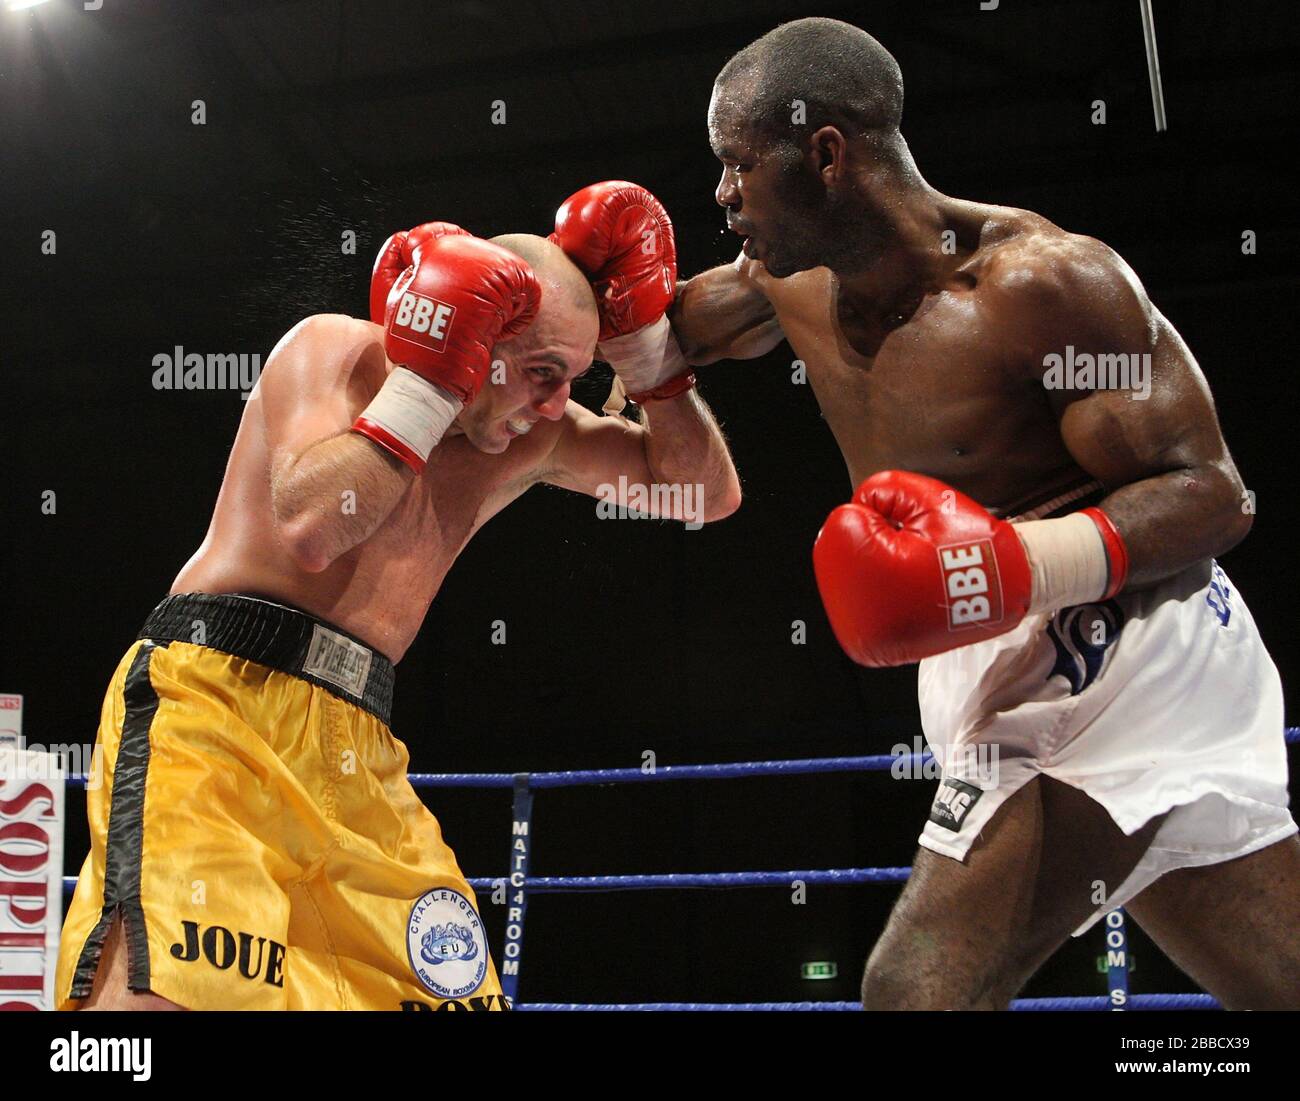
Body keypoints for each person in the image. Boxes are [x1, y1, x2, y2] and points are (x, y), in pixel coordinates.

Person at [668, 17, 1299, 1008]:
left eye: (737, 165)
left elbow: (1214, 495)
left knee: (917, 989)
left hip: (1122, 643)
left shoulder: (1041, 284)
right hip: (977, 658)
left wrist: (1006, 564)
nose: (721, 196)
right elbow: (657, 338)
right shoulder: (775, 287)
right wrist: (564, 311)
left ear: (826, 154)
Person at [56, 182, 739, 1010]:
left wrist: (650, 359)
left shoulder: (538, 435)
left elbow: (701, 495)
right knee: (167, 988)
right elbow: (313, 525)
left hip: (356, 740)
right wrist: (431, 387)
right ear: (475, 332)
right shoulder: (336, 350)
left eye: (576, 377)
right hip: (215, 704)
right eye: (542, 372)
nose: (557, 403)